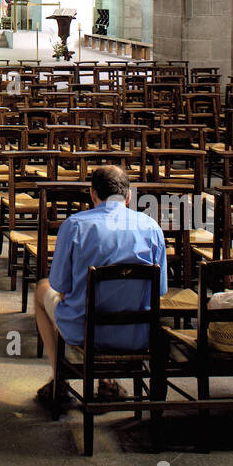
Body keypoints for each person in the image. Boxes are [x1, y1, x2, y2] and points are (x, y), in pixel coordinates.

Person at [34, 164, 168, 407]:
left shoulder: (75, 226)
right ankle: (107, 382)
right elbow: (159, 291)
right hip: (136, 334)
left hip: (85, 330)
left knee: (42, 289)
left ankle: (59, 380)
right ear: (129, 196)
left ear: (92, 193)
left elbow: (60, 285)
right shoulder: (151, 228)